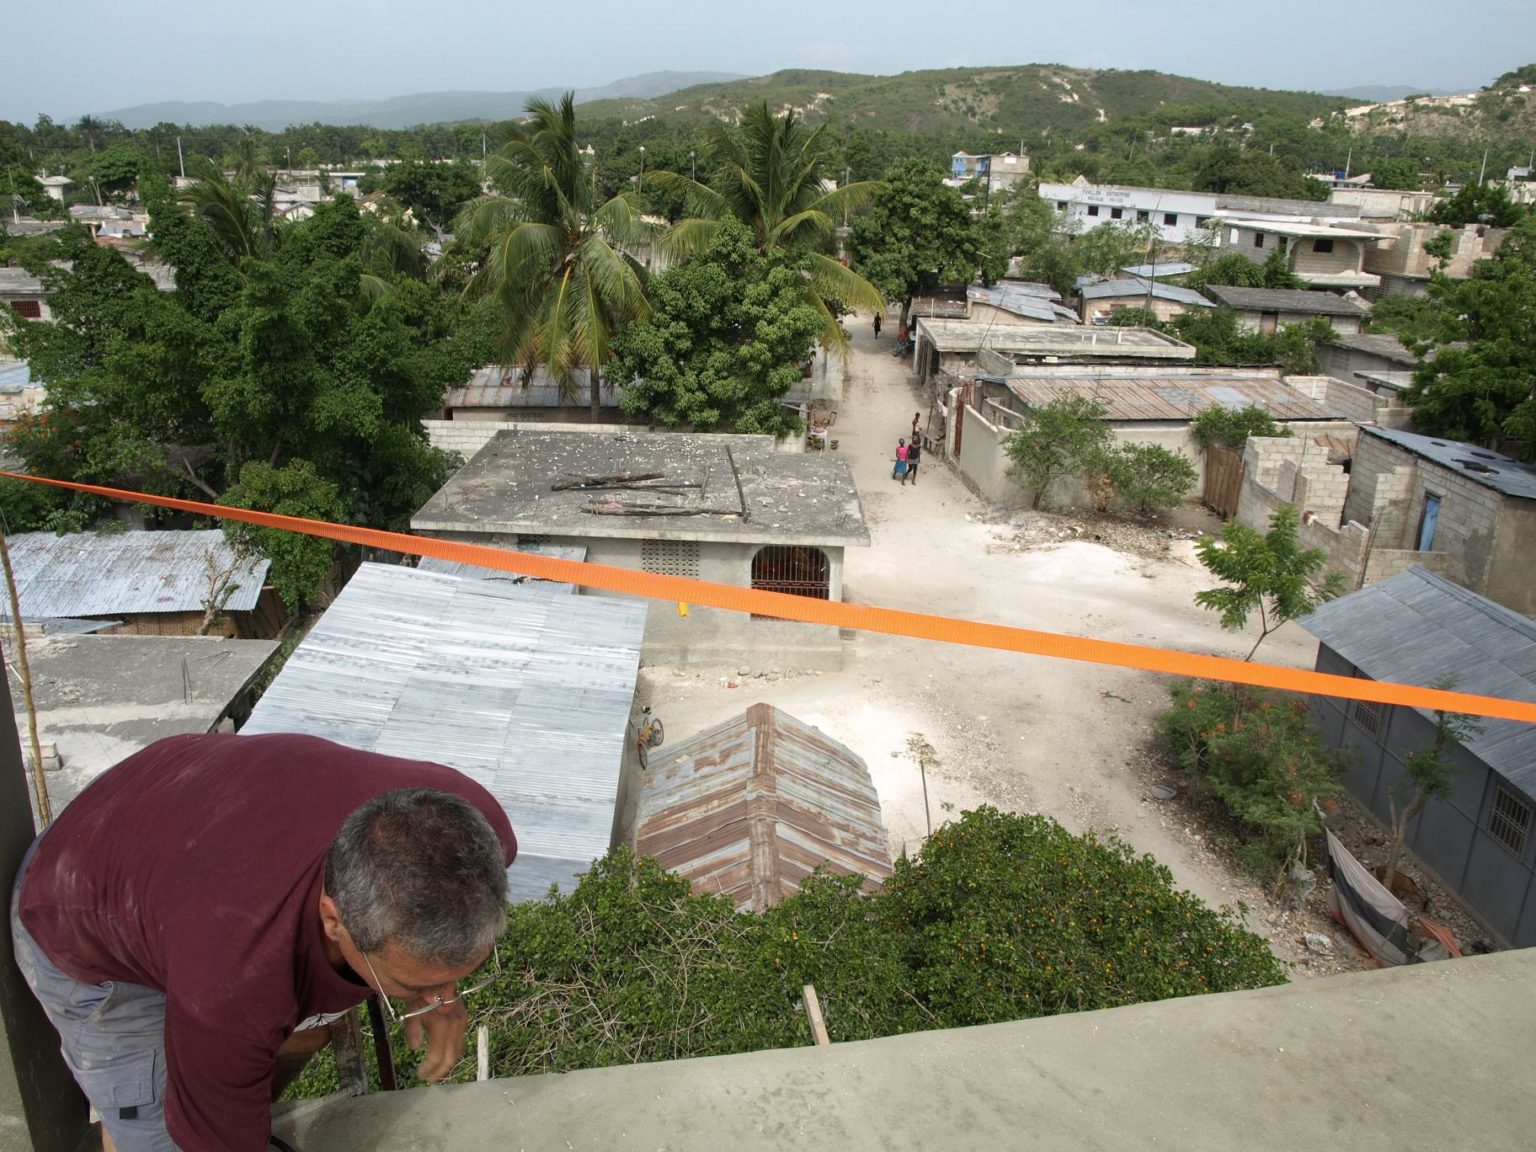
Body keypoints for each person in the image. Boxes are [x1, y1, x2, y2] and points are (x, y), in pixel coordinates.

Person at [11, 732, 517, 1152]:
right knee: (161, 1137)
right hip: (81, 902)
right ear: (334, 920)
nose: (438, 996)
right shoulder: (233, 980)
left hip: (185, 805)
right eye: (412, 983)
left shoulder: (476, 833)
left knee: (298, 1033)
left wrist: (434, 986)